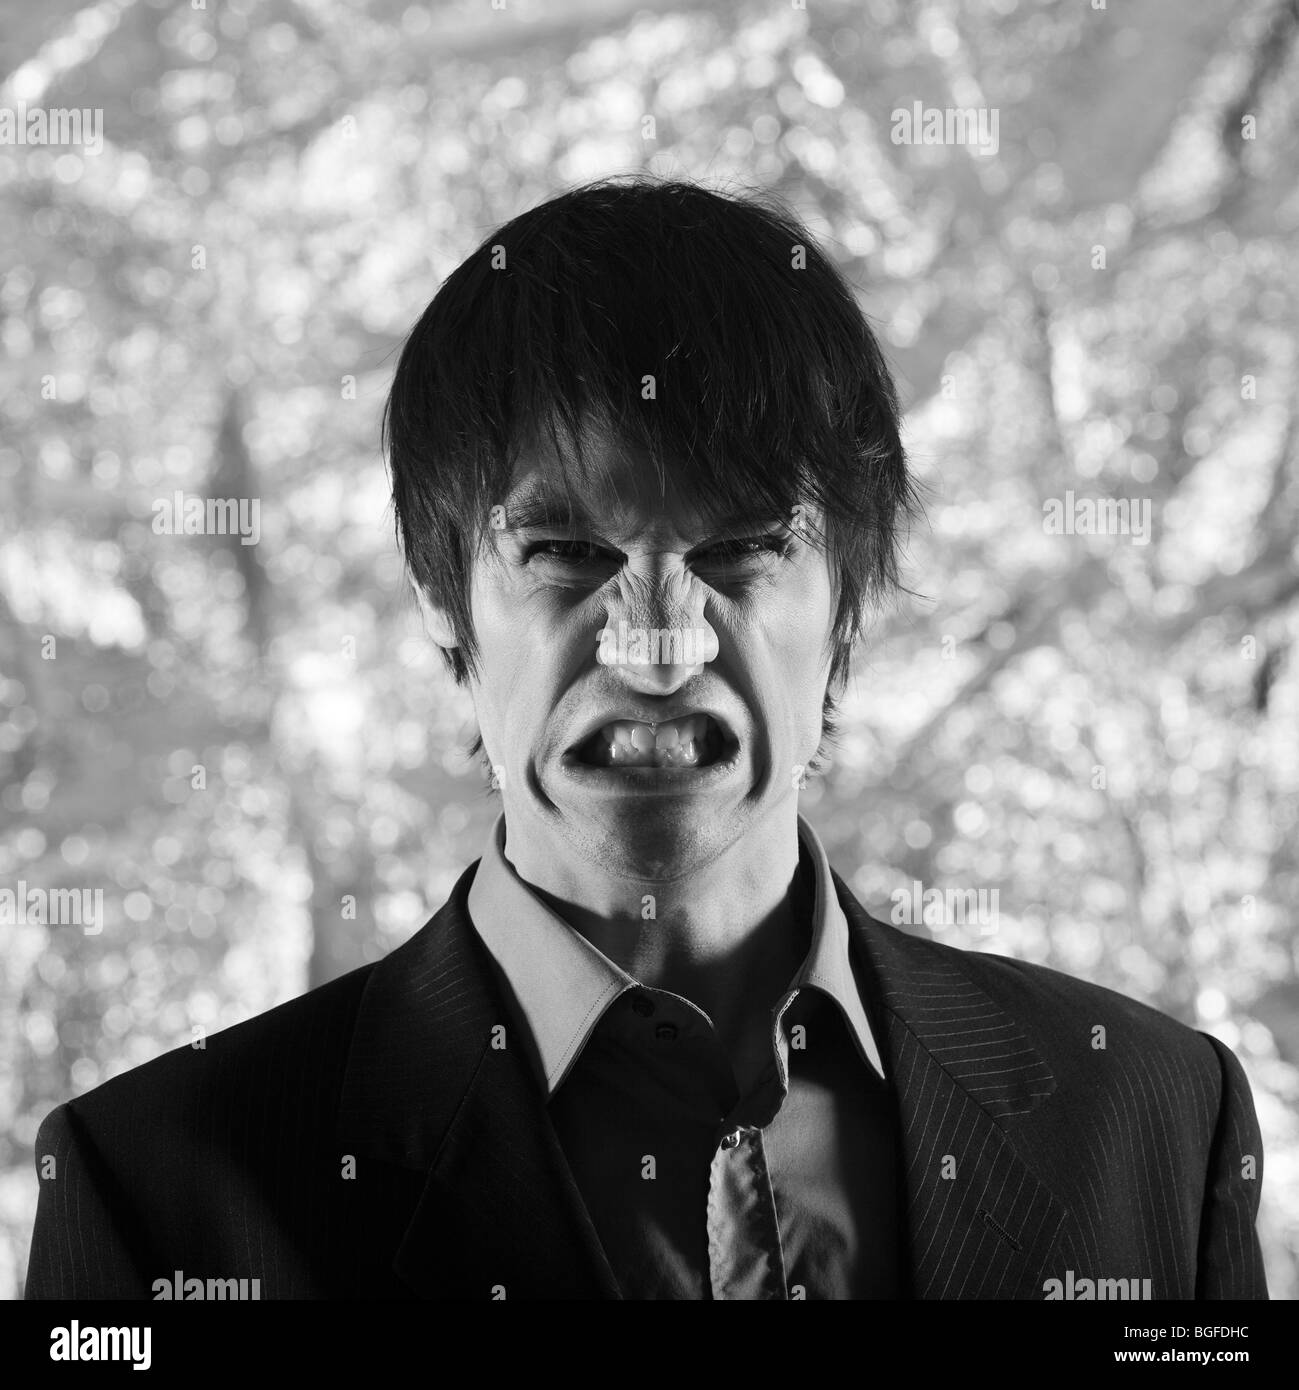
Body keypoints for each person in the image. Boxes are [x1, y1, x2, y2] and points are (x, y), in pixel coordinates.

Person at [27, 176, 1266, 1300]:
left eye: (741, 551)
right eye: (568, 554)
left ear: (851, 607)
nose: (658, 647)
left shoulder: (1156, 1118)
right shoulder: (160, 1192)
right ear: (440, 602)